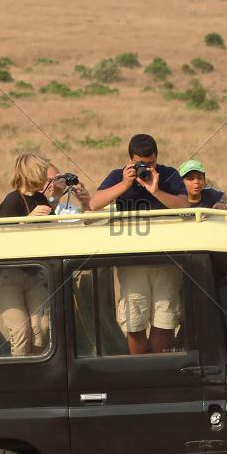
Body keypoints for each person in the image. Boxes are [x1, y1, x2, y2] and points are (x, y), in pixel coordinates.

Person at [90, 135, 189, 353]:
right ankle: (140, 367)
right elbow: (94, 203)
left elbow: (184, 205)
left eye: (151, 163)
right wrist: (125, 184)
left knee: (165, 320)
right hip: (132, 261)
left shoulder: (169, 174)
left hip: (167, 259)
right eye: (140, 164)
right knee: (134, 322)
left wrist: (156, 191)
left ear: (157, 157)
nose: (146, 169)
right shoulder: (118, 176)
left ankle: (158, 367)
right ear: (130, 160)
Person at [0, 154, 55, 356]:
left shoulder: (40, 198)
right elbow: (4, 240)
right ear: (33, 173)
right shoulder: (11, 201)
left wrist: (56, 200)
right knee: (21, 332)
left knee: (42, 328)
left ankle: (35, 368)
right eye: (43, 171)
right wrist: (27, 219)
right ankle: (21, 373)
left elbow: (53, 228)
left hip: (34, 273)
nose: (47, 176)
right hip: (7, 276)